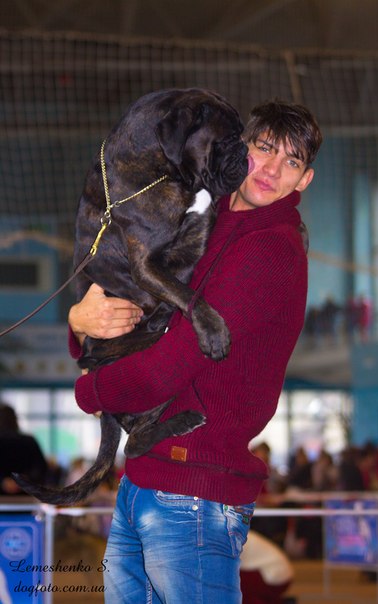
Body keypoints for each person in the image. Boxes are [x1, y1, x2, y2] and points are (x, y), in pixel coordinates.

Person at [68, 98, 322, 603]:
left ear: (304, 180)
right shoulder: (203, 213)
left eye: (291, 161)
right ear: (239, 147)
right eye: (264, 149)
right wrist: (80, 325)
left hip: (195, 493)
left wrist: (88, 392)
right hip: (144, 479)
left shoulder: (270, 248)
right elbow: (130, 308)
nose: (271, 170)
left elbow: (169, 367)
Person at [0, 402, 48, 495]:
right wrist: (23, 480)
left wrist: (3, 481)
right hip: (25, 495)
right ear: (15, 419)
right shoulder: (29, 441)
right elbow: (41, 468)